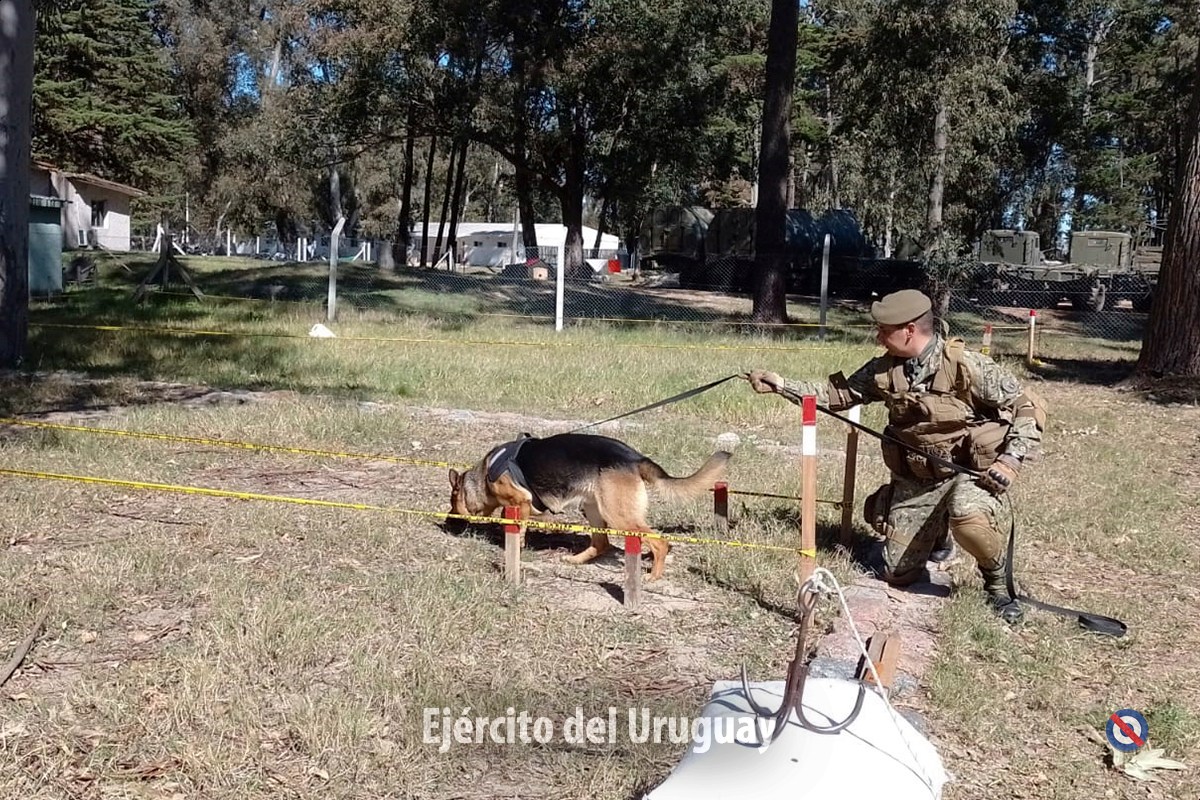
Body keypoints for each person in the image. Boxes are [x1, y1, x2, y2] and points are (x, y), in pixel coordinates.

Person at [744, 289, 1044, 623]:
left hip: (966, 471)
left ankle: (997, 585)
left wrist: (1011, 459)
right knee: (895, 573)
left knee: (967, 515)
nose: (878, 337)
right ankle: (936, 532)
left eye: (884, 330)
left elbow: (1026, 406)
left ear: (910, 330)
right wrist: (781, 384)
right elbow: (837, 395)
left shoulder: (965, 365)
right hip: (917, 481)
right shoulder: (884, 370)